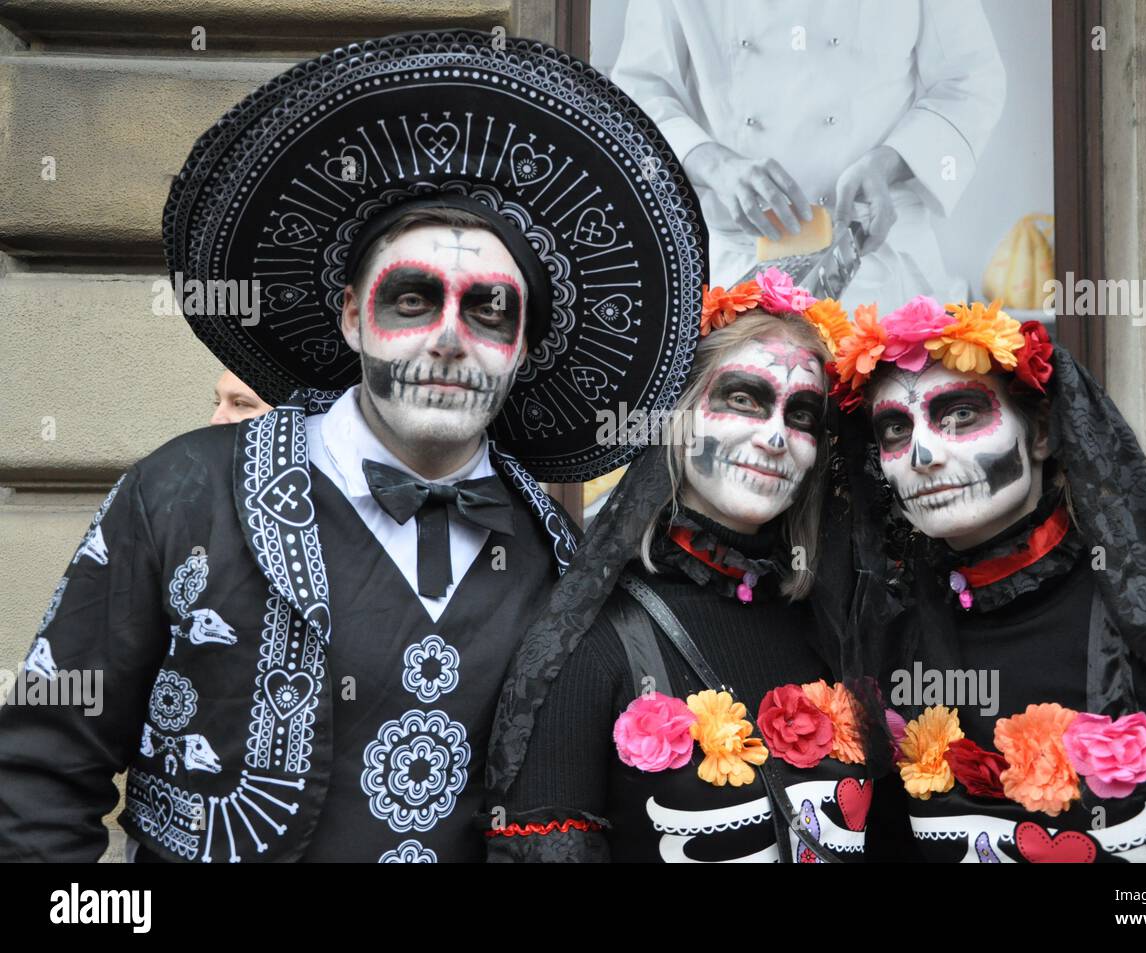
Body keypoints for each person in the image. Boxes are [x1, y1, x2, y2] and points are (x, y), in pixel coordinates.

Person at [0, 30, 706, 863]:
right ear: (350, 314)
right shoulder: (179, 492)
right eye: (412, 298)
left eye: (489, 310)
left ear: (523, 347)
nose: (448, 338)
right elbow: (36, 782)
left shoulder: (561, 562)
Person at [822, 295, 1146, 861]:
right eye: (896, 430)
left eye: (961, 414)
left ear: (1043, 433)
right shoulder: (892, 635)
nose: (923, 452)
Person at [484, 268, 890, 862]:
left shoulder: (835, 626)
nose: (775, 437)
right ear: (678, 417)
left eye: (801, 415)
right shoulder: (591, 639)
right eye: (743, 399)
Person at [611, 0, 1006, 312]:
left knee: (888, 410)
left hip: (877, 261)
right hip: (740, 267)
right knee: (752, 408)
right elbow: (639, 92)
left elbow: (971, 80)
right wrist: (715, 164)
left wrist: (888, 163)